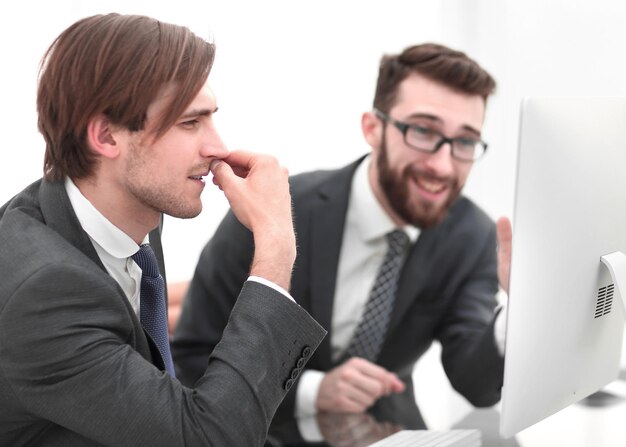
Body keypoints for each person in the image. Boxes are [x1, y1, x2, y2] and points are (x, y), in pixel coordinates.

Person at [0, 13, 326, 447]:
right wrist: (275, 245)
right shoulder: (46, 289)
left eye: (211, 118)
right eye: (190, 123)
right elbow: (210, 440)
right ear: (107, 137)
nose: (218, 148)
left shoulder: (132, 214)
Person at [172, 43, 512, 440]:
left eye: (465, 142)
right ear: (372, 128)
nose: (442, 165)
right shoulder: (273, 209)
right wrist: (314, 391)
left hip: (388, 429)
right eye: (422, 131)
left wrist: (518, 313)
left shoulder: (474, 236)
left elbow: (475, 383)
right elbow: (192, 358)